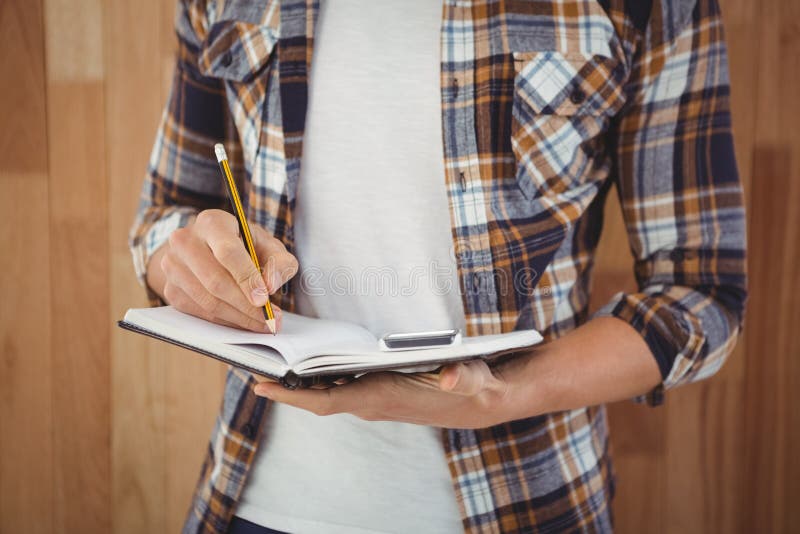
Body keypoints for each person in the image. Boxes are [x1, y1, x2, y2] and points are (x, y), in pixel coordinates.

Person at [129, 0, 747, 532]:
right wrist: (181, 261)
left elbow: (700, 294)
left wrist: (505, 393)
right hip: (258, 501)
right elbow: (166, 215)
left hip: (531, 500)